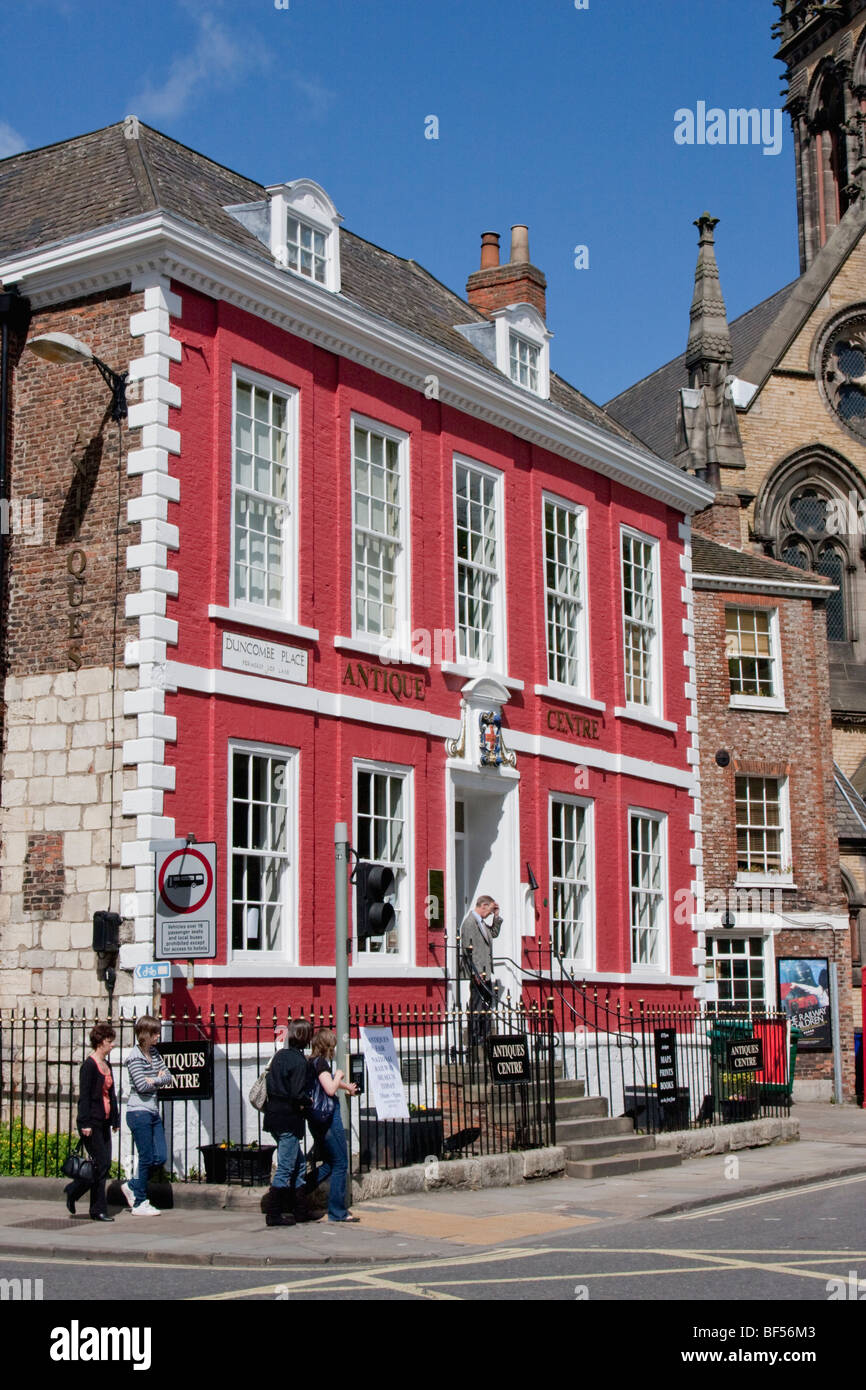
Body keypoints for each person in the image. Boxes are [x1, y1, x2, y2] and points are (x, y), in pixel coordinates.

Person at [262, 1018, 321, 1227]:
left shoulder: (279, 1056)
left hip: (273, 1116)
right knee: (286, 1167)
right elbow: (297, 1094)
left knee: (297, 1164)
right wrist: (309, 1100)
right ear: (306, 1038)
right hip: (289, 1119)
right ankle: (274, 1213)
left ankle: (301, 1210)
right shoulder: (299, 1062)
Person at [65, 1022, 119, 1221]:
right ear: (99, 1042)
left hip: (104, 1121)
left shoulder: (107, 1065)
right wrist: (85, 1123)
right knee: (102, 1164)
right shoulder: (89, 1066)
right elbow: (85, 1097)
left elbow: (111, 1095)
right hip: (91, 1122)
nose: (112, 1045)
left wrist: (115, 1119)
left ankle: (78, 1194)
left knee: (100, 1166)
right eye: (109, 1041)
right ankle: (94, 1206)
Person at [306, 1027, 359, 1224]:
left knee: (329, 1163)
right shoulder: (321, 1063)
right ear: (327, 1046)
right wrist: (338, 1076)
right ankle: (338, 1211)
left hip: (316, 1120)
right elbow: (329, 1088)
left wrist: (346, 1086)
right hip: (329, 1119)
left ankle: (301, 1188)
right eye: (333, 1046)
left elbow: (321, 1084)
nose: (334, 1050)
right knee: (340, 1163)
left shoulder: (310, 1062)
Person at [123, 1015, 174, 1216]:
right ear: (145, 1034)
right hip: (138, 1112)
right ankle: (139, 1202)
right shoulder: (135, 1057)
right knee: (146, 1157)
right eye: (155, 1033)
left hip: (153, 1111)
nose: (158, 1036)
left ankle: (133, 1185)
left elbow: (168, 1076)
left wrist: (153, 1080)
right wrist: (157, 1079)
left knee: (160, 1156)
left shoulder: (154, 1053)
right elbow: (141, 1086)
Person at [459, 894, 502, 1047]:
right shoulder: (470, 923)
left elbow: (494, 933)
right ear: (483, 906)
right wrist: (475, 972)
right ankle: (475, 1037)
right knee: (477, 1004)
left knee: (486, 1004)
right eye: (490, 910)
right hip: (477, 972)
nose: (490, 913)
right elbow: (468, 949)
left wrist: (496, 916)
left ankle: (485, 1035)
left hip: (486, 971)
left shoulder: (482, 923)